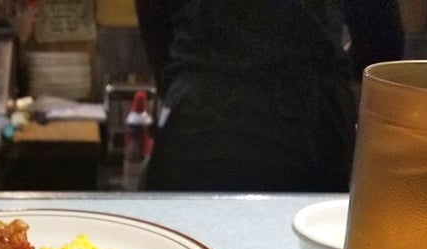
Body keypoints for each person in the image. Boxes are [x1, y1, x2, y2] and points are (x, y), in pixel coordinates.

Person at [135, 0, 405, 192]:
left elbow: (156, 26)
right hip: (310, 121)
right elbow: (381, 44)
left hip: (202, 114)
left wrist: (177, 84)